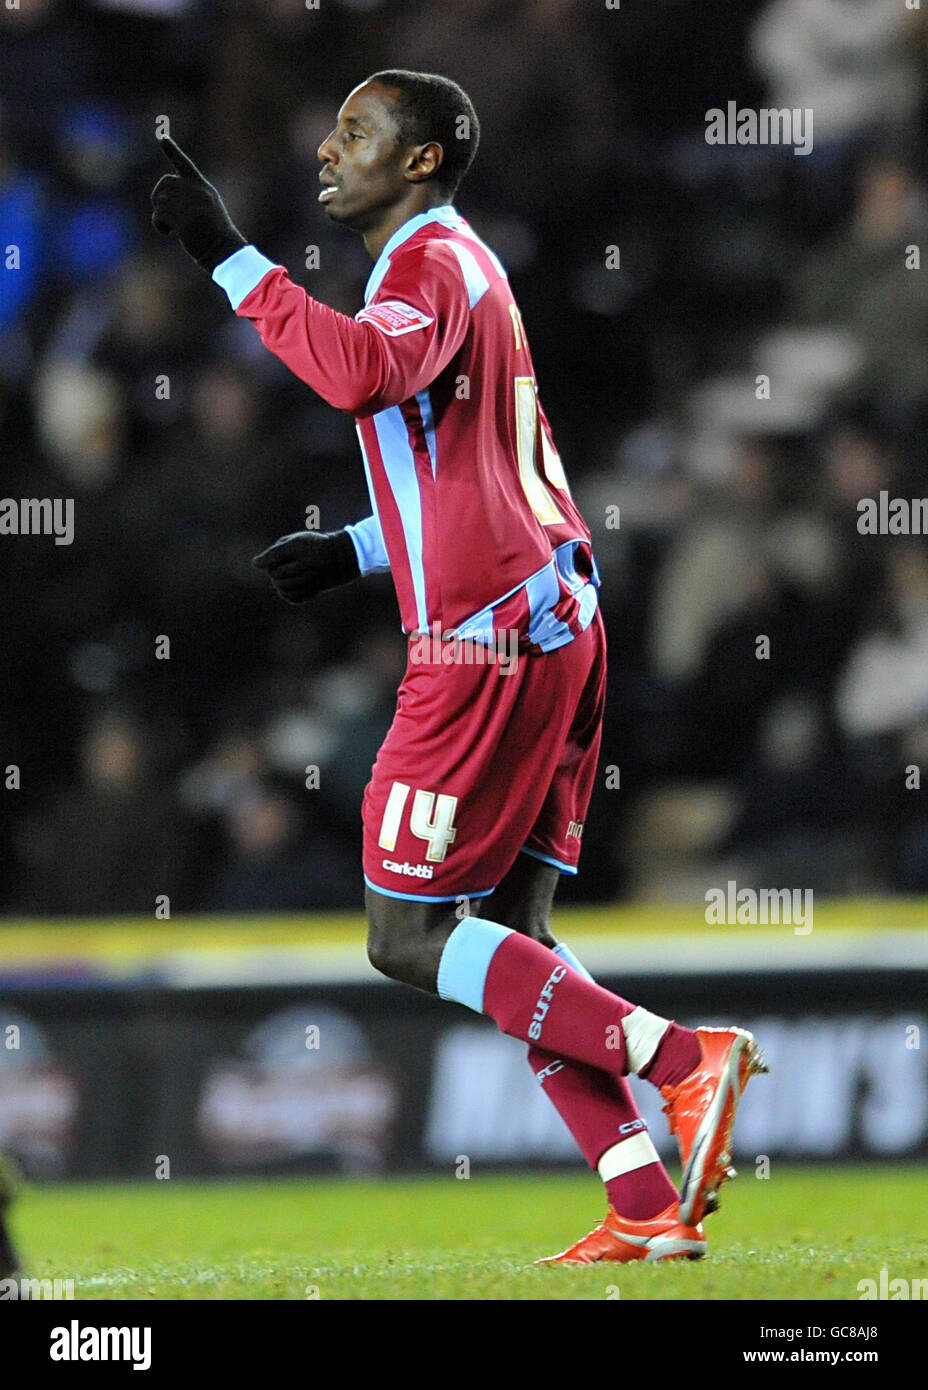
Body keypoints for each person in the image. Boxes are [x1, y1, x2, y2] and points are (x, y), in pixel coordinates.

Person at [151, 69, 766, 1264]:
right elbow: (483, 471)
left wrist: (227, 255)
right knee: (508, 936)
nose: (327, 150)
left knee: (404, 934)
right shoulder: (459, 269)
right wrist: (361, 548)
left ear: (421, 160)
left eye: (357, 133)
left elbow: (357, 375)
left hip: (487, 643)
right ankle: (642, 1197)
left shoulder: (429, 264)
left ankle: (685, 1058)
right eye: (329, 129)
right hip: (548, 615)